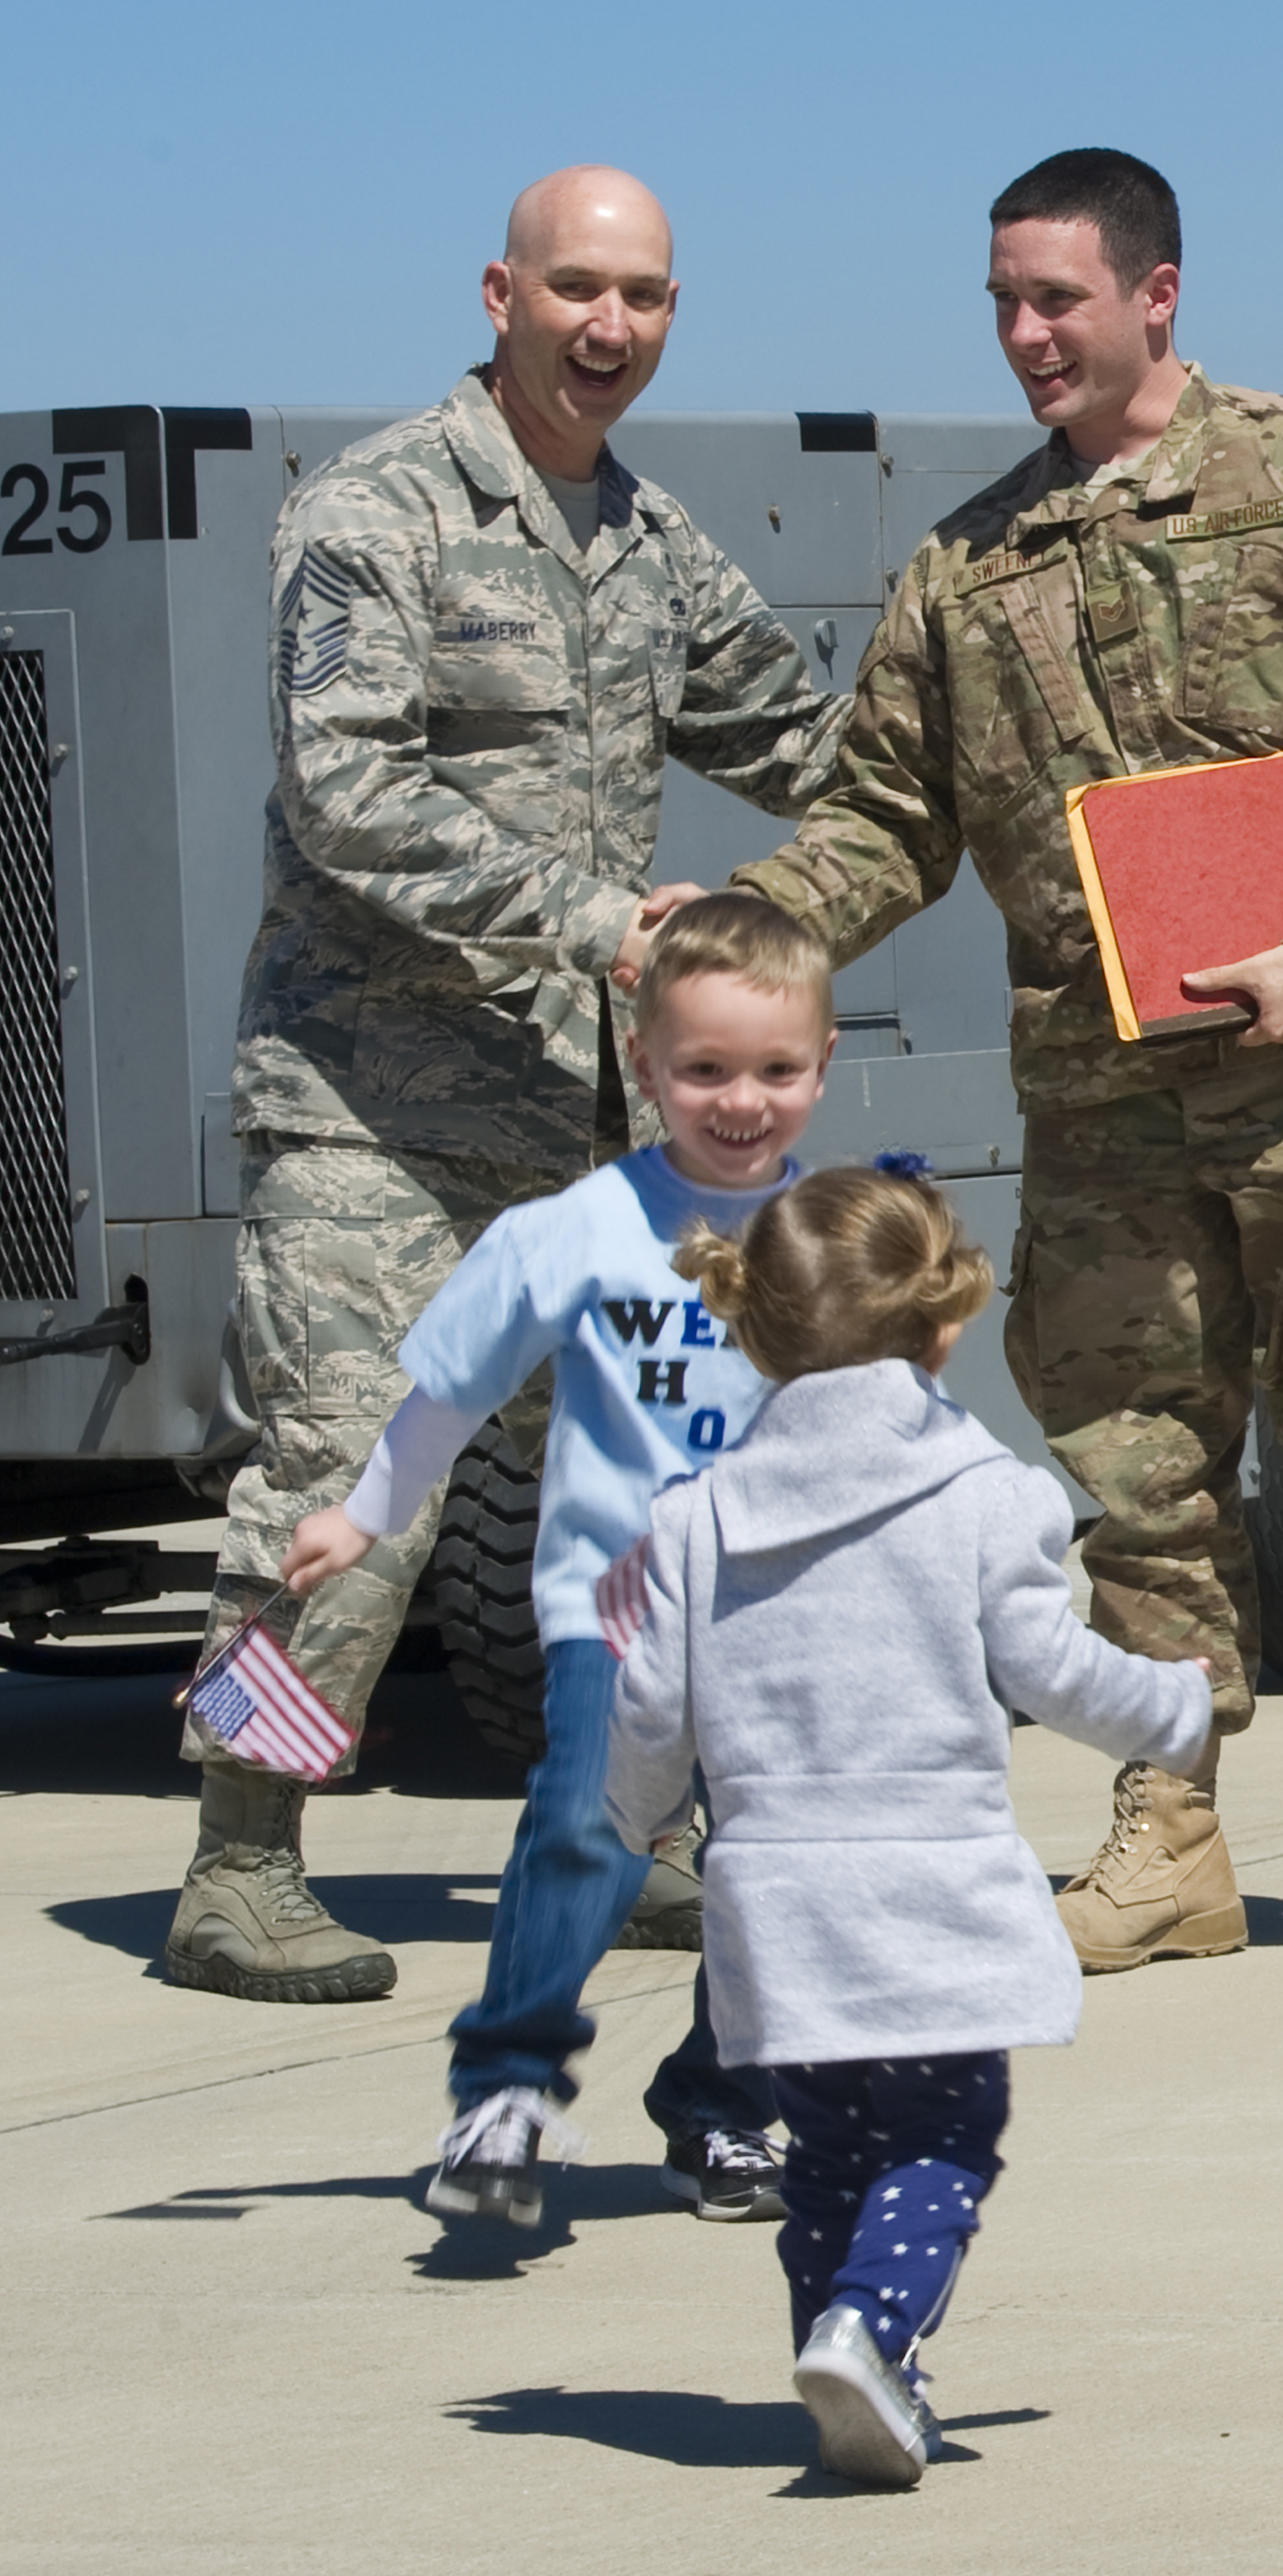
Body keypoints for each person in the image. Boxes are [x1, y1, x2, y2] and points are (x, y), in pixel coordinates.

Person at [733, 147, 1283, 1966]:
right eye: (1003, 305)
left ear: (1153, 293)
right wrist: (751, 936)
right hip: (1098, 1092)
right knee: (1133, 1467)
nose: (1025, 336)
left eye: (1057, 301)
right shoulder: (966, 570)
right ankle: (1169, 1832)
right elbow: (882, 814)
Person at [165, 166, 850, 2007]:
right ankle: (237, 1858)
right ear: (498, 294)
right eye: (574, 290)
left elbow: (796, 733)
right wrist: (594, 922)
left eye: (642, 296)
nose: (608, 327)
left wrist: (992, 796)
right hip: (374, 1108)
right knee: (336, 1483)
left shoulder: (640, 538)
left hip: (580, 1126)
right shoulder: (375, 511)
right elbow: (346, 790)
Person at [603, 1164, 1212, 2486]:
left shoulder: (698, 1518)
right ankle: (870, 2333)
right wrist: (1176, 1709)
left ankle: (862, 2374)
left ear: (754, 1327)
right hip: (927, 1896)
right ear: (945, 1326)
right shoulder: (985, 1495)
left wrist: (630, 1817)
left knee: (823, 2152)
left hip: (778, 1912)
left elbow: (651, 1715)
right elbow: (1053, 1676)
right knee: (942, 2138)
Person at [278, 894, 832, 2222]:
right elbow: (450, 1393)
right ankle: (507, 2091)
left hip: (790, 1619)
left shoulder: (839, 1237)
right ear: (645, 1067)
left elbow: (900, 1425)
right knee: (585, 1830)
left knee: (781, 1869)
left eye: (776, 1070)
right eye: (704, 1069)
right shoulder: (576, 1228)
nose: (740, 1100)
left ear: (821, 1065)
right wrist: (362, 1514)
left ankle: (726, 2109)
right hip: (617, 1603)